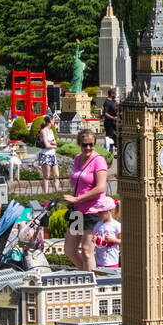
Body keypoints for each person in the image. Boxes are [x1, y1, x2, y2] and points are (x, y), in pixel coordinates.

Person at [63, 128, 108, 271]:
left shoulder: (99, 161)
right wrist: (74, 200)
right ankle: (85, 273)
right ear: (79, 144)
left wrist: (77, 198)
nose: (88, 148)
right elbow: (78, 182)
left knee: (88, 251)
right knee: (69, 250)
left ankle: (90, 284)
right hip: (77, 212)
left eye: (91, 144)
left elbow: (101, 187)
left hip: (92, 211)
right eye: (84, 145)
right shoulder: (77, 158)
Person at [94, 197, 121, 268]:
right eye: (98, 212)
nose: (98, 214)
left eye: (101, 212)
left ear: (110, 211)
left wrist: (113, 240)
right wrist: (95, 238)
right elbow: (95, 235)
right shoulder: (98, 224)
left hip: (111, 261)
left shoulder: (116, 225)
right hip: (99, 260)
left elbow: (122, 241)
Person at [37, 114, 59, 188]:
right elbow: (47, 145)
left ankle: (56, 192)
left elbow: (54, 142)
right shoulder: (43, 131)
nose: (54, 122)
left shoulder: (51, 131)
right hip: (45, 154)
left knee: (56, 175)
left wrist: (53, 144)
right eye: (53, 120)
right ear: (50, 121)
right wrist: (54, 146)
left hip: (52, 154)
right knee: (47, 176)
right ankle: (46, 194)